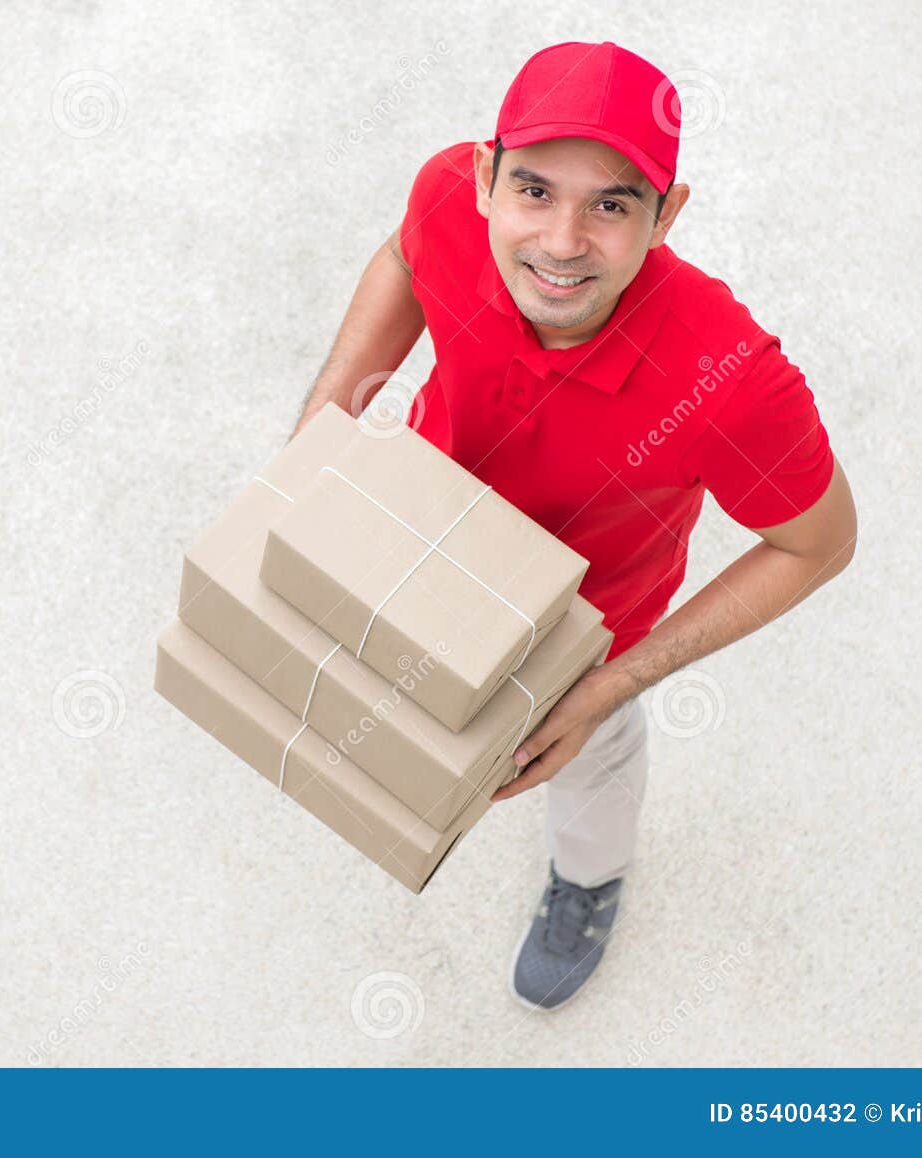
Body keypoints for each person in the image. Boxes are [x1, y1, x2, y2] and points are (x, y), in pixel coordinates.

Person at [292, 41, 858, 1010]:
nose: (560, 242)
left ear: (665, 216)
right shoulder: (441, 196)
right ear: (482, 178)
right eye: (535, 190)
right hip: (429, 530)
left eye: (611, 204)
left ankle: (587, 884)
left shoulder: (731, 379)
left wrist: (605, 687)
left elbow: (819, 543)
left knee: (588, 765)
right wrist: (327, 420)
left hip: (579, 634)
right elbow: (401, 254)